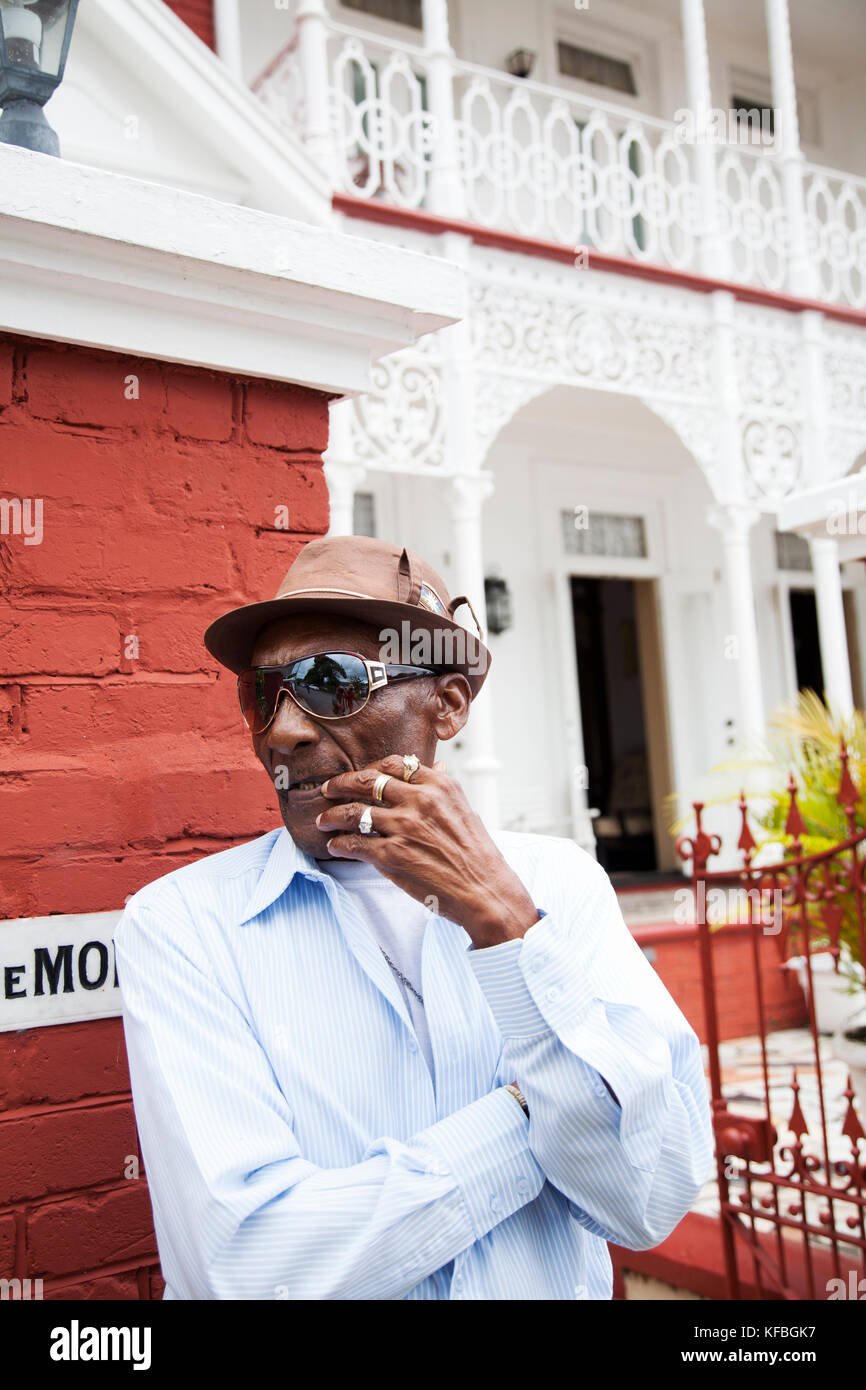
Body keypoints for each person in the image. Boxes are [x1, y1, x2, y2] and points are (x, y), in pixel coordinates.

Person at [115, 534, 713, 1300]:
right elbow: (252, 1267)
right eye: (262, 694)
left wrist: (503, 924)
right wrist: (542, 1111)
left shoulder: (558, 883)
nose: (283, 731)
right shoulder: (184, 927)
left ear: (449, 703)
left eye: (330, 682)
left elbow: (649, 1196)